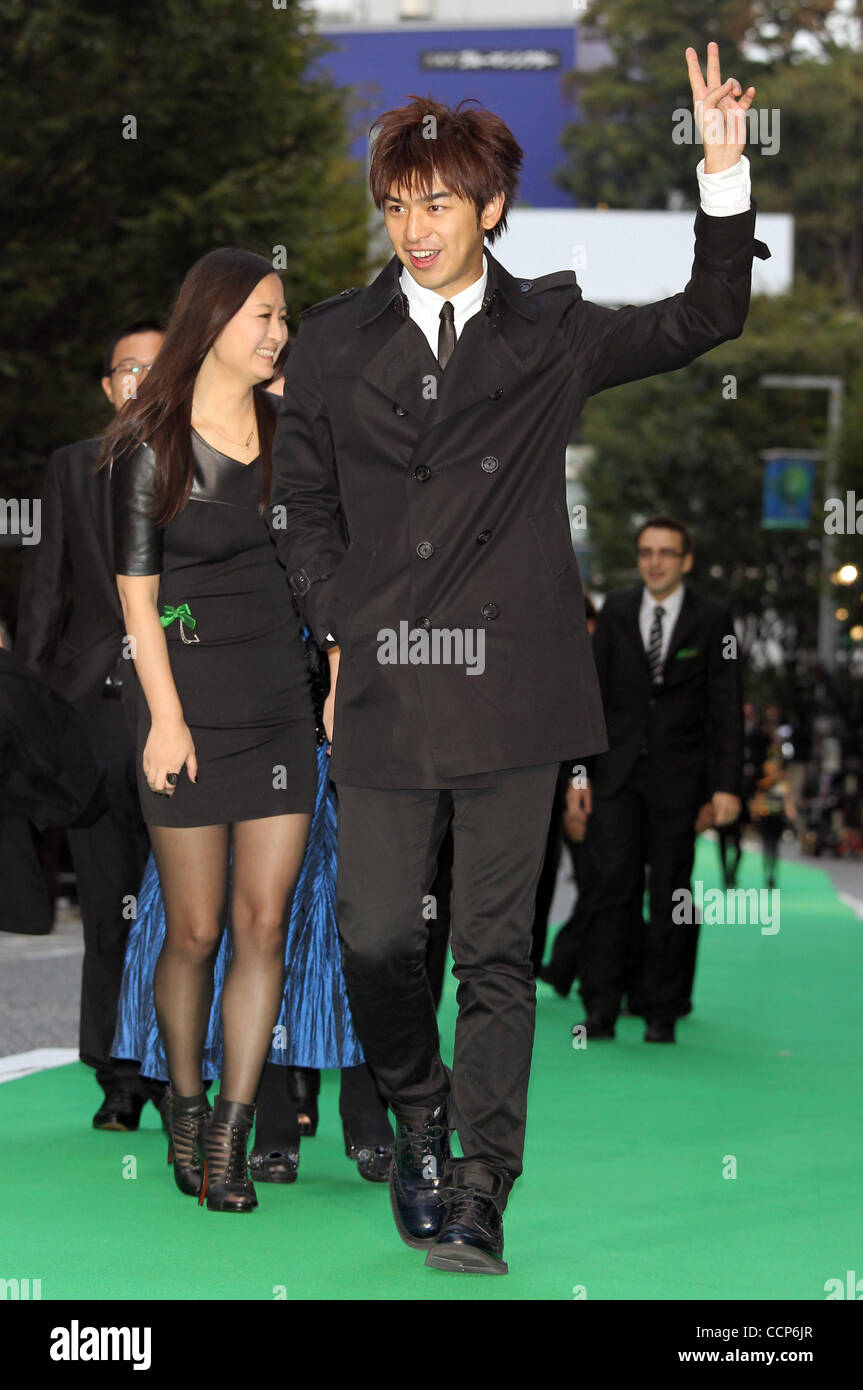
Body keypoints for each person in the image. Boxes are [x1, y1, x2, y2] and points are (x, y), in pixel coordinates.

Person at [269, 49, 769, 1274]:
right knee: (377, 941)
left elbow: (707, 315)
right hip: (386, 688)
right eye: (396, 203)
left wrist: (718, 166)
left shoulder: (548, 331)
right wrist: (342, 618)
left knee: (494, 951)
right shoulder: (335, 342)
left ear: (490, 205)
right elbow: (297, 501)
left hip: (516, 691)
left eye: (438, 202)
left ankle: (481, 1182)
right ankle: (420, 1108)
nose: (414, 226)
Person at [104, 247, 318, 1214]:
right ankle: (184, 1107)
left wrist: (337, 678)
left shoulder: (293, 431)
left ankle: (231, 1136)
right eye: (262, 316)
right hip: (182, 713)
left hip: (278, 707)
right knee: (190, 931)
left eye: (282, 318)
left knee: (262, 922)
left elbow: (327, 563)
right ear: (215, 321)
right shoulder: (150, 444)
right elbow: (140, 610)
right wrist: (164, 721)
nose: (277, 333)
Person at [15, 322, 166, 1130]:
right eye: (127, 368)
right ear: (109, 386)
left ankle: (184, 1066)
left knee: (185, 903)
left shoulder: (207, 458)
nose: (141, 380)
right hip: (97, 716)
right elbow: (44, 590)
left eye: (156, 365)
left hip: (186, 712)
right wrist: (36, 715)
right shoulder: (72, 468)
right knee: (108, 900)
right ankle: (115, 1071)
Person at [572, 517, 745, 1043]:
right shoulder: (617, 612)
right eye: (647, 551)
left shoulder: (714, 620)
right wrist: (578, 776)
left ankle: (661, 1010)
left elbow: (726, 709)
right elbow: (590, 701)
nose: (655, 561)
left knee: (672, 893)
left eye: (667, 552)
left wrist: (727, 786)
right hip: (615, 779)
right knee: (609, 890)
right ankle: (600, 1007)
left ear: (686, 560)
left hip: (679, 783)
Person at [750, 758, 796, 888]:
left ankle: (773, 873)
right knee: (766, 846)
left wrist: (790, 811)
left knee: (775, 847)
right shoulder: (762, 784)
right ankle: (767, 873)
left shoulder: (783, 786)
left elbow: (788, 801)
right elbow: (758, 800)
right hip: (765, 818)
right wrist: (755, 813)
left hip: (778, 818)